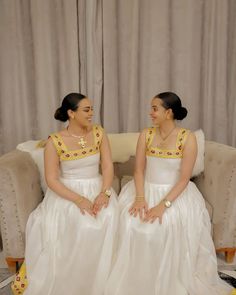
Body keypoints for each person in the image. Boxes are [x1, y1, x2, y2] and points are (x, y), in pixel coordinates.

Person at [105, 92, 234, 295]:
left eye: (155, 108)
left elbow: (184, 179)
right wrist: (140, 197)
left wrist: (162, 206)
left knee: (165, 224)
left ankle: (166, 279)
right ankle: (137, 279)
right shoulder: (146, 134)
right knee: (131, 221)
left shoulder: (187, 138)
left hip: (175, 193)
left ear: (169, 112)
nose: (151, 113)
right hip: (144, 188)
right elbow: (138, 170)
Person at [22, 93, 118, 295]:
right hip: (68, 193)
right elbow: (52, 179)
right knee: (83, 224)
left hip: (98, 187)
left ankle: (104, 283)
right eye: (86, 110)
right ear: (71, 113)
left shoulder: (99, 133)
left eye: (91, 109)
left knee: (109, 216)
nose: (91, 113)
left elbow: (108, 166)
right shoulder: (55, 142)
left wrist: (105, 193)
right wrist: (79, 200)